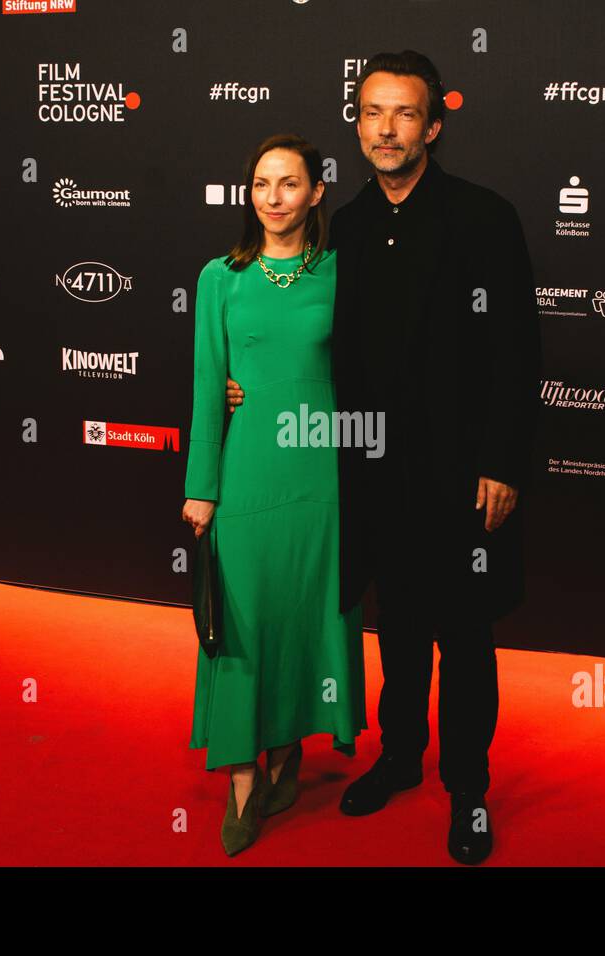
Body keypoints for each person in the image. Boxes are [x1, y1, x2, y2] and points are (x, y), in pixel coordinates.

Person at [226, 51, 540, 865]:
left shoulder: (484, 217)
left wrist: (503, 462)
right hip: (373, 472)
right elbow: (305, 332)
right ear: (357, 124)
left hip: (464, 475)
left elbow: (516, 350)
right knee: (396, 629)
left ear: (432, 126)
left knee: (463, 636)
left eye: (405, 113)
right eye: (372, 112)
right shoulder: (348, 230)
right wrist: (250, 385)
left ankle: (467, 790)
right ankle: (400, 758)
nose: (387, 129)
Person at [182, 134, 367, 857]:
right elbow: (208, 384)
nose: (274, 197)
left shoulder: (342, 274)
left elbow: (369, 374)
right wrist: (202, 488)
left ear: (316, 192)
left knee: (303, 616)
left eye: (289, 184)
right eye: (261, 183)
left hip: (321, 477)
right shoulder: (220, 278)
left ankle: (288, 753)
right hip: (249, 471)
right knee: (243, 624)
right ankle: (242, 779)